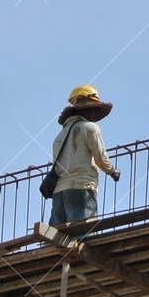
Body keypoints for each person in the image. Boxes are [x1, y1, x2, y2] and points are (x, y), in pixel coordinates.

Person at [48, 85, 121, 227]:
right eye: (94, 109)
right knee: (84, 232)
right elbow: (100, 157)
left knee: (58, 236)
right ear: (88, 108)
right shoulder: (89, 128)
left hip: (59, 193)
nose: (95, 114)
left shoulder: (59, 136)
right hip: (81, 187)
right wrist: (112, 171)